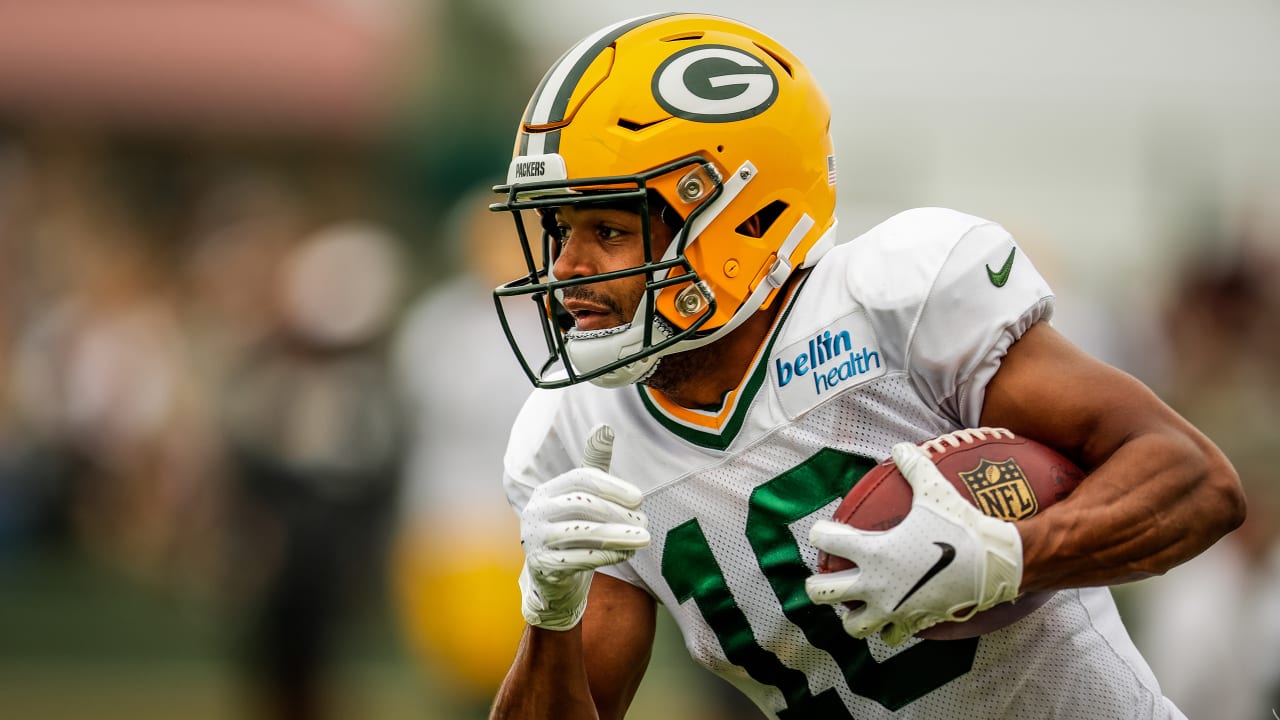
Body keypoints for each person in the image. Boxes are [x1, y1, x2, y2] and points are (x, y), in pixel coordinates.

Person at [484, 12, 1245, 720]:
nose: (567, 270)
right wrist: (549, 611)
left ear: (741, 219)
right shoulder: (581, 434)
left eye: (608, 230)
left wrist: (1005, 558)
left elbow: (1194, 482)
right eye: (559, 230)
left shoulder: (893, 305)